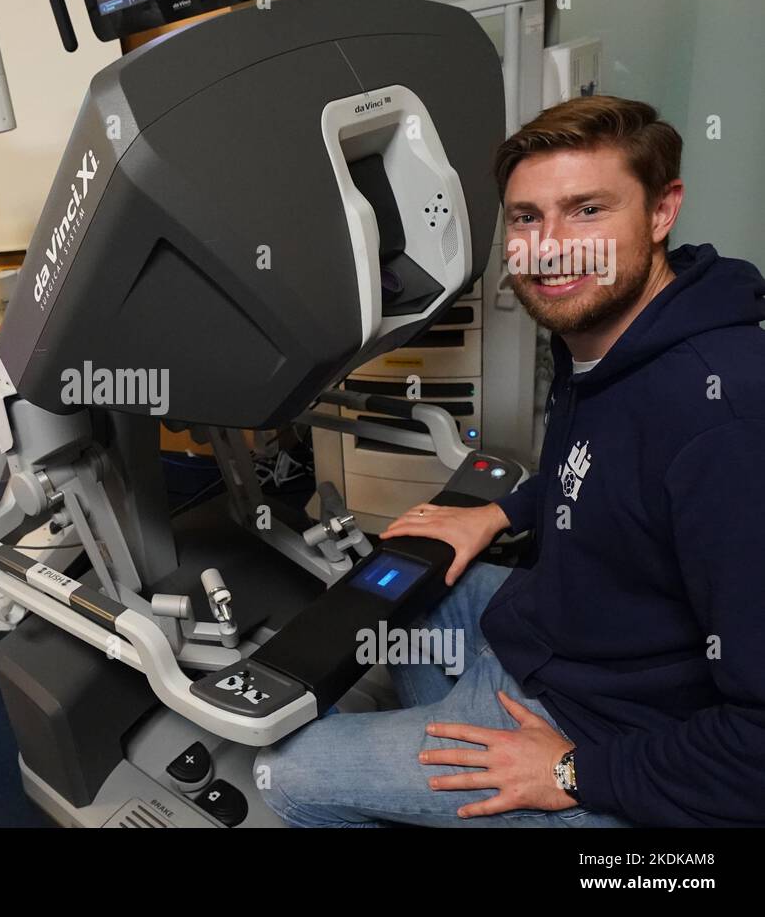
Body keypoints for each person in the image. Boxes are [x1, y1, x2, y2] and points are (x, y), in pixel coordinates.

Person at [257, 95, 765, 827]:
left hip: (614, 736)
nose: (552, 247)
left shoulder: (727, 423)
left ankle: (512, 792)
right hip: (562, 638)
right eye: (528, 218)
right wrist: (498, 513)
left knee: (289, 771)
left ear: (662, 211)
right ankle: (470, 790)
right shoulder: (606, 332)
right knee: (409, 572)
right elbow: (606, 472)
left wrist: (570, 770)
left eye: (587, 210)